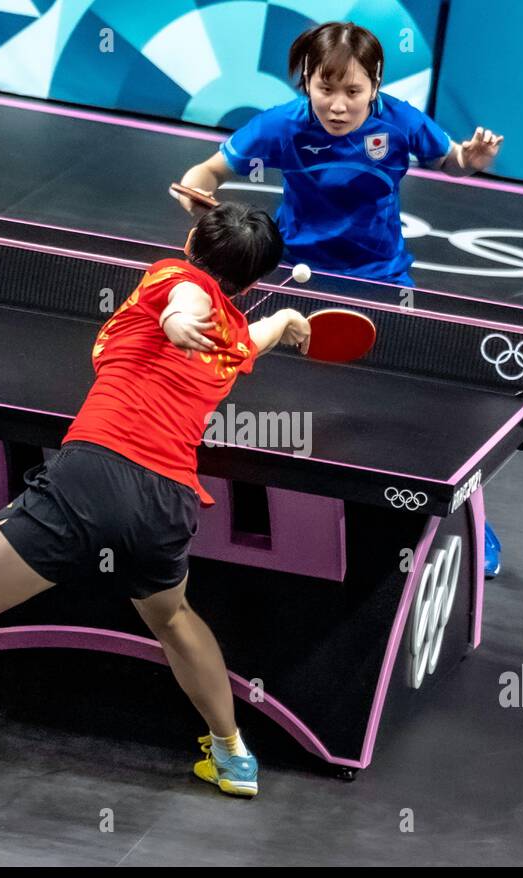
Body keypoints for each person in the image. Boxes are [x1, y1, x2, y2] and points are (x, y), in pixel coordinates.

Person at [0, 202, 309, 803]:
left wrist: (178, 322)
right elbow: (245, 336)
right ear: (255, 282)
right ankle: (235, 757)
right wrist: (286, 318)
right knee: (173, 617)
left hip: (93, 476)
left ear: (191, 239)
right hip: (169, 504)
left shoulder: (175, 276)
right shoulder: (231, 337)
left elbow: (185, 300)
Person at [175, 20, 505, 575]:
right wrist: (196, 191)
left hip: (382, 279)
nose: (337, 105)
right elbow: (207, 170)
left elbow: (449, 158)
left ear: (375, 82)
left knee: (419, 410)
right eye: (325, 89)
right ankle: (203, 492)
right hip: (290, 275)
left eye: (352, 91)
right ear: (307, 81)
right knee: (241, 386)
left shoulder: (400, 122)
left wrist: (471, 159)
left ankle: (468, 526)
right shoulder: (282, 125)